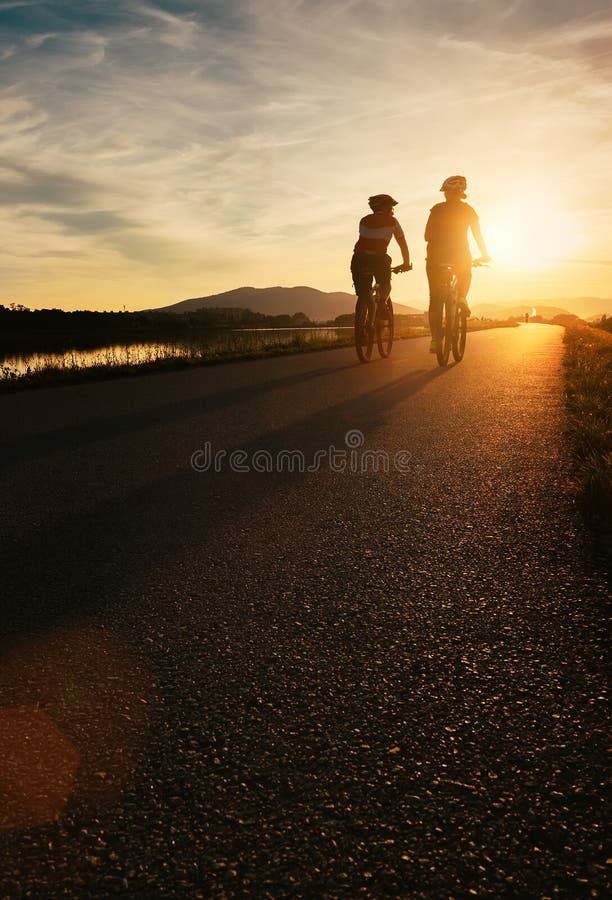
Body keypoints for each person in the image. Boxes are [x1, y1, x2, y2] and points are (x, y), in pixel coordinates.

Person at [425, 175, 490, 353]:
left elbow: (426, 236)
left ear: (446, 193)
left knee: (435, 298)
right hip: (460, 254)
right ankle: (461, 297)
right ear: (461, 194)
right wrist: (485, 254)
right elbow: (478, 235)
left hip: (436, 256)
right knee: (465, 272)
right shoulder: (468, 210)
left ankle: (435, 340)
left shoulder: (437, 209)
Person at [351, 194, 411, 320]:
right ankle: (382, 302)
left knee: (364, 290)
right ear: (388, 208)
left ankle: (362, 323)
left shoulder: (364, 220)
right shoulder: (392, 221)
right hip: (379, 259)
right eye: (391, 208)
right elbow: (403, 244)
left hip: (359, 258)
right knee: (386, 284)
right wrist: (406, 263)